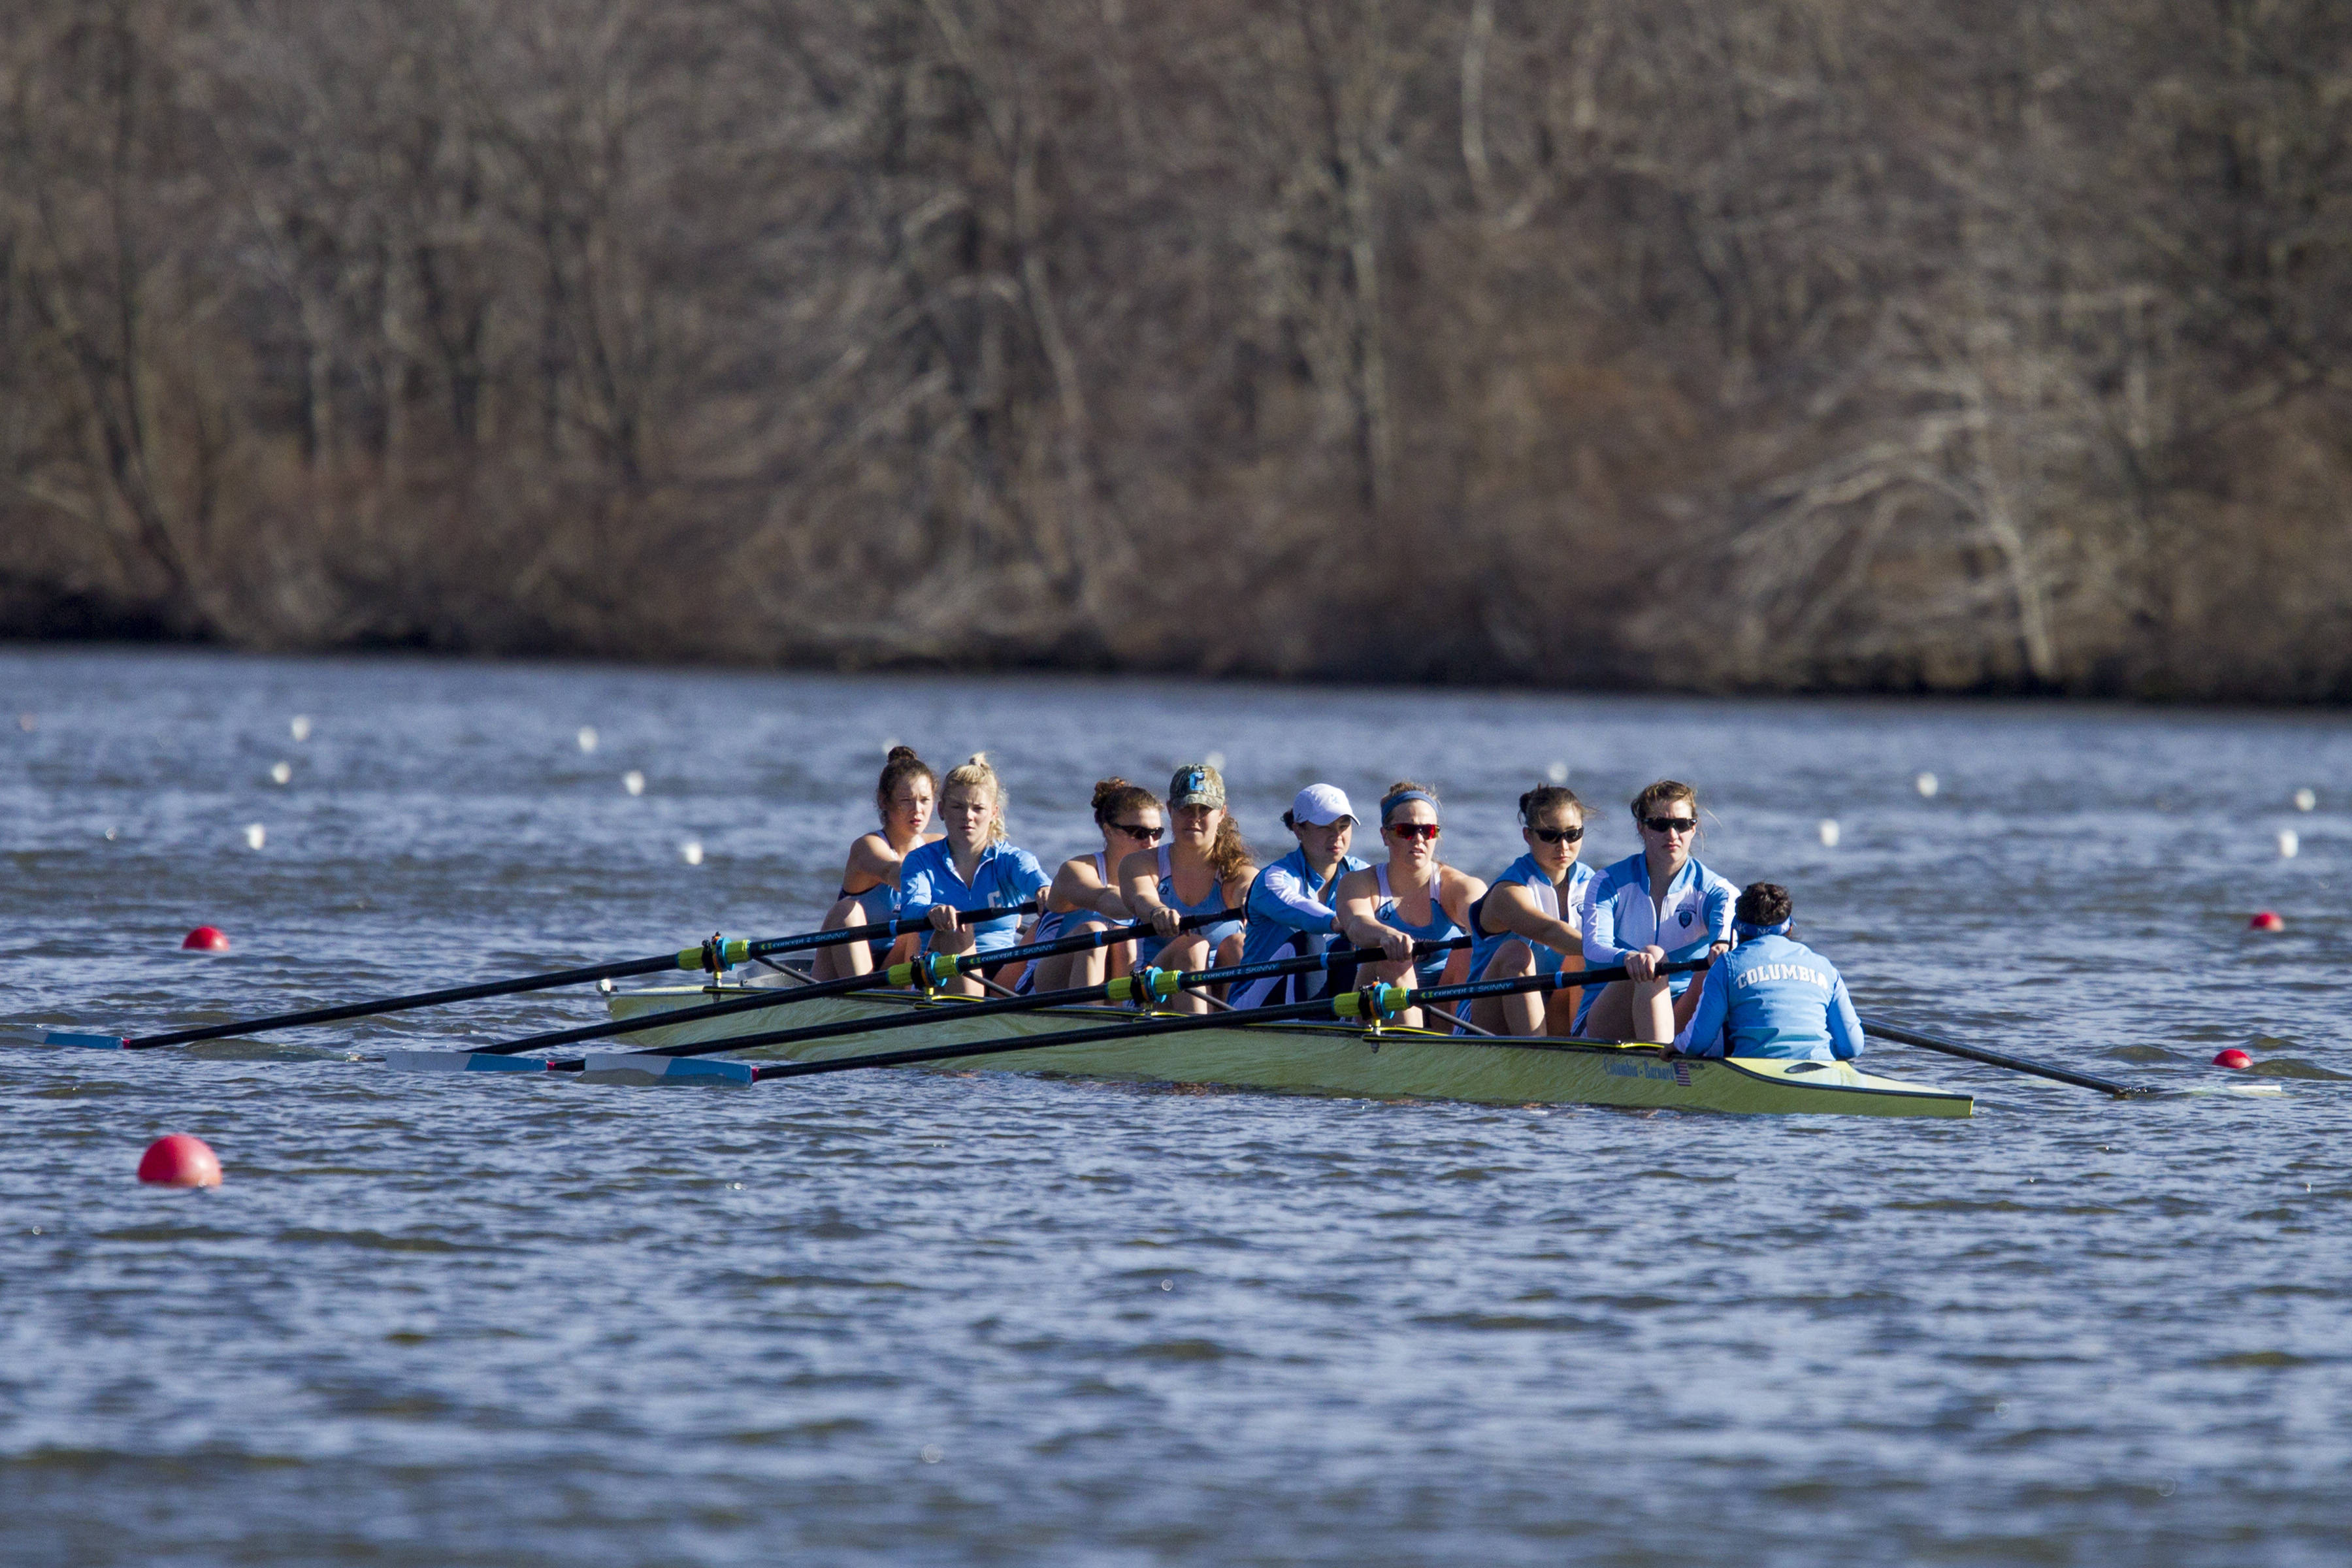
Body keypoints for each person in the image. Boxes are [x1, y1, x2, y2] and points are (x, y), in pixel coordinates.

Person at [1578, 779, 1736, 1041]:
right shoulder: (1607, 883)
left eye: (1681, 825)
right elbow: (1594, 948)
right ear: (1641, 827)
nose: (1672, 835)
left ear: (1693, 828)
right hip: (1610, 1017)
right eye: (1660, 825)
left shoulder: (1717, 891)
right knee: (1652, 957)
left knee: (1712, 970)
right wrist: (1628, 958)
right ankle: (1660, 1061)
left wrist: (1721, 945)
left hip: (1682, 1013)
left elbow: (1727, 933)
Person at [895, 754, 1051, 998]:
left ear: (994, 813)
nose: (968, 815)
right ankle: (972, 1010)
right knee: (957, 928)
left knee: (1054, 918)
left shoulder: (1011, 860)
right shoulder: (920, 861)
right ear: (942, 810)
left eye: (978, 808)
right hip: (943, 970)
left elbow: (1035, 877)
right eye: (958, 807)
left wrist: (1045, 890)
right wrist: (933, 910)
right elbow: (911, 908)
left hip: (1002, 972)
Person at [1334, 782, 1485, 1030]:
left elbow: (1481, 918)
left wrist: (1491, 927)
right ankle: (1412, 1040)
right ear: (1386, 836)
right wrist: (1386, 934)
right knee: (1391, 955)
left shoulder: (1457, 885)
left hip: (1442, 1011)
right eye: (1407, 830)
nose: (1419, 839)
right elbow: (1356, 924)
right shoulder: (1359, 882)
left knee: (1469, 949)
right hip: (1380, 1011)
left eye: (1428, 830)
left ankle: (1460, 1040)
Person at [1657, 883, 1864, 1061]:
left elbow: (1697, 1043)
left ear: (1736, 928)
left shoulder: (1727, 966)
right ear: (1790, 928)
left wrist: (1675, 1046)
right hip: (1821, 1067)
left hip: (1754, 1073)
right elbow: (1853, 1046)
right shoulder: (1825, 967)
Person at [1119, 762, 1255, 1015]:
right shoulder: (1140, 864)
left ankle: (1235, 1029)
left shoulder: (1237, 872)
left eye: (1205, 809)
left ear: (1222, 813)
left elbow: (1247, 888)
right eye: (1186, 809)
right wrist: (1158, 911)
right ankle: (1199, 1032)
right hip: (1151, 998)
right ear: (1171, 809)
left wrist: (1251, 900)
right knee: (1192, 946)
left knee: (1239, 943)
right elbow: (1141, 896)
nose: (1194, 818)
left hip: (1218, 996)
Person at [1464, 784, 1593, 1036]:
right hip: (1485, 1019)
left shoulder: (1593, 882)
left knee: (1581, 959)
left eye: (1573, 834)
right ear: (1528, 836)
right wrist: (1617, 954)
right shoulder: (1509, 891)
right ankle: (1537, 1051)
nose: (1563, 846)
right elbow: (1549, 932)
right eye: (1550, 835)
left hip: (1554, 1006)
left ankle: (1587, 1046)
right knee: (1516, 953)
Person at [1231, 783, 1371, 1009]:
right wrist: (1342, 922)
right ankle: (1316, 1024)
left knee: (1348, 946)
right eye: (1325, 828)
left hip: (1324, 996)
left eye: (1343, 826)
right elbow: (1297, 906)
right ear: (1299, 830)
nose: (1337, 836)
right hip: (1253, 1005)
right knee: (1309, 941)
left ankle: (1346, 1021)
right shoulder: (1273, 879)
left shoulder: (1362, 874)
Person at [1022, 778, 1165, 993]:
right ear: (1109, 831)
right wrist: (1154, 909)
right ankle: (1093, 1009)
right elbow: (1103, 899)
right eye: (1139, 833)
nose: (1150, 843)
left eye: (1156, 833)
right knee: (1095, 932)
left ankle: (1123, 1010)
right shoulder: (1077, 870)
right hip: (1043, 987)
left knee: (1126, 941)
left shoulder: (1164, 877)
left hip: (1117, 986)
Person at [810, 746, 939, 981]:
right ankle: (865, 996)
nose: (917, 810)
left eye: (925, 800)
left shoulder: (938, 845)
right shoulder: (868, 847)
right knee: (847, 911)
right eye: (906, 801)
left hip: (897, 963)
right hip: (844, 965)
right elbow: (894, 872)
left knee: (917, 929)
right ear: (884, 800)